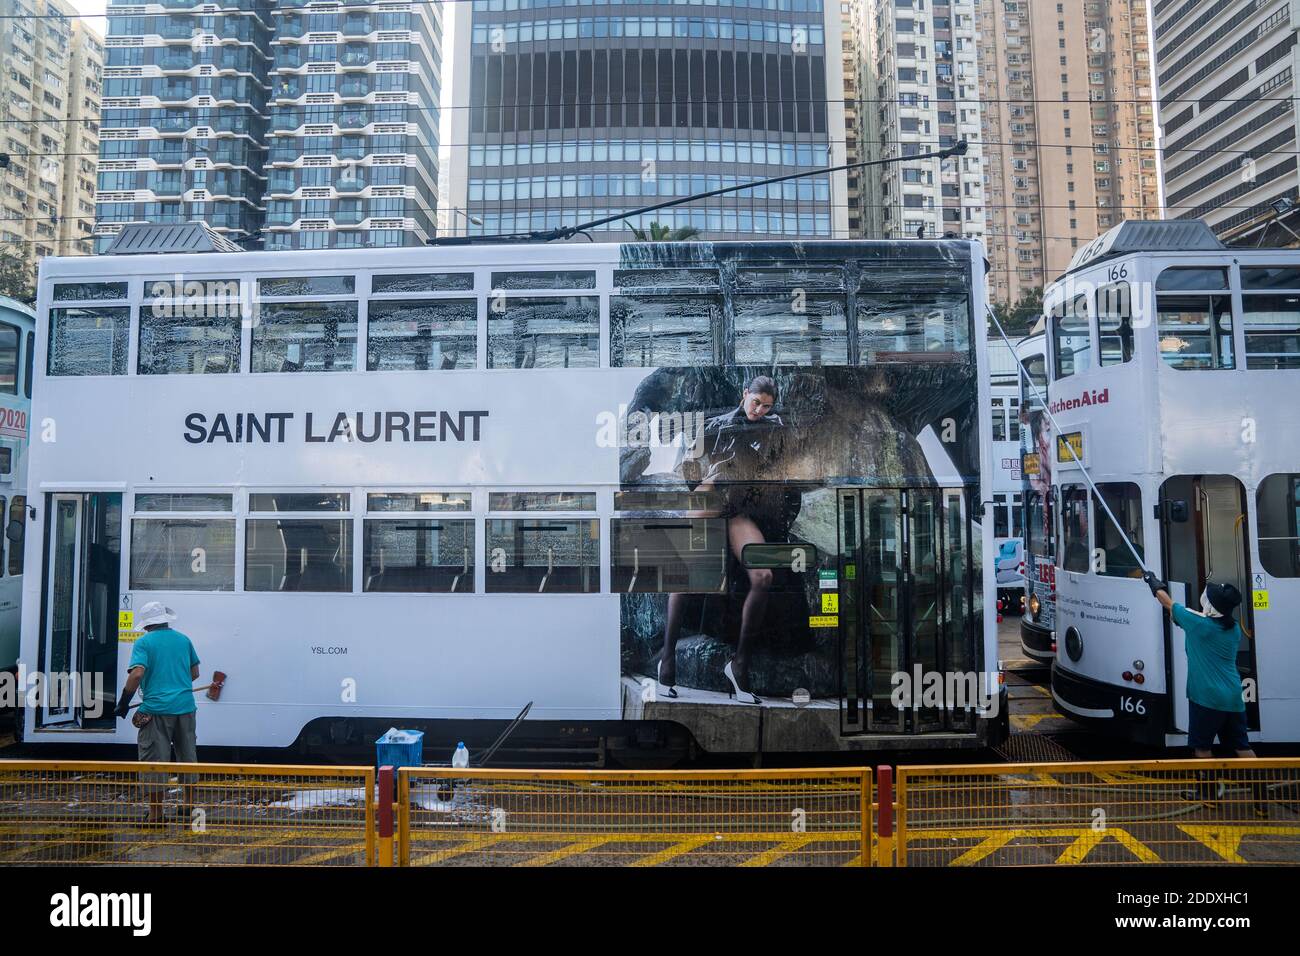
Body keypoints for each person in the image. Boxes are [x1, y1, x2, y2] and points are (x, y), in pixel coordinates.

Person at [658, 375, 789, 705]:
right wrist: (710, 477)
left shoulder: (775, 428)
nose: (759, 410)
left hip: (740, 508)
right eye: (756, 402)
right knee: (687, 574)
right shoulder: (715, 424)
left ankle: (739, 663)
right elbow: (685, 469)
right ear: (745, 394)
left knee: (763, 575)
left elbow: (779, 473)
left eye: (767, 405)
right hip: (710, 497)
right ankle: (667, 658)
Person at [1142, 572, 1266, 814]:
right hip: (1232, 697)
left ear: (1211, 606)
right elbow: (1193, 616)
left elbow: (1168, 603)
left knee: (1202, 747)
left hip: (1206, 698)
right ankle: (1261, 798)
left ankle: (1209, 795)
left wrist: (1153, 583)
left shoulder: (1200, 625)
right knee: (1242, 746)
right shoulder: (1232, 629)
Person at [113, 602, 202, 824]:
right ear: (165, 620)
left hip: (156, 711)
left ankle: (155, 814)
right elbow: (195, 672)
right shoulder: (183, 640)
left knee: (154, 758)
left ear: (146, 625)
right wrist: (175, 686)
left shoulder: (144, 643)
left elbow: (136, 675)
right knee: (187, 756)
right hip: (186, 709)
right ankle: (189, 807)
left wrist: (124, 702)